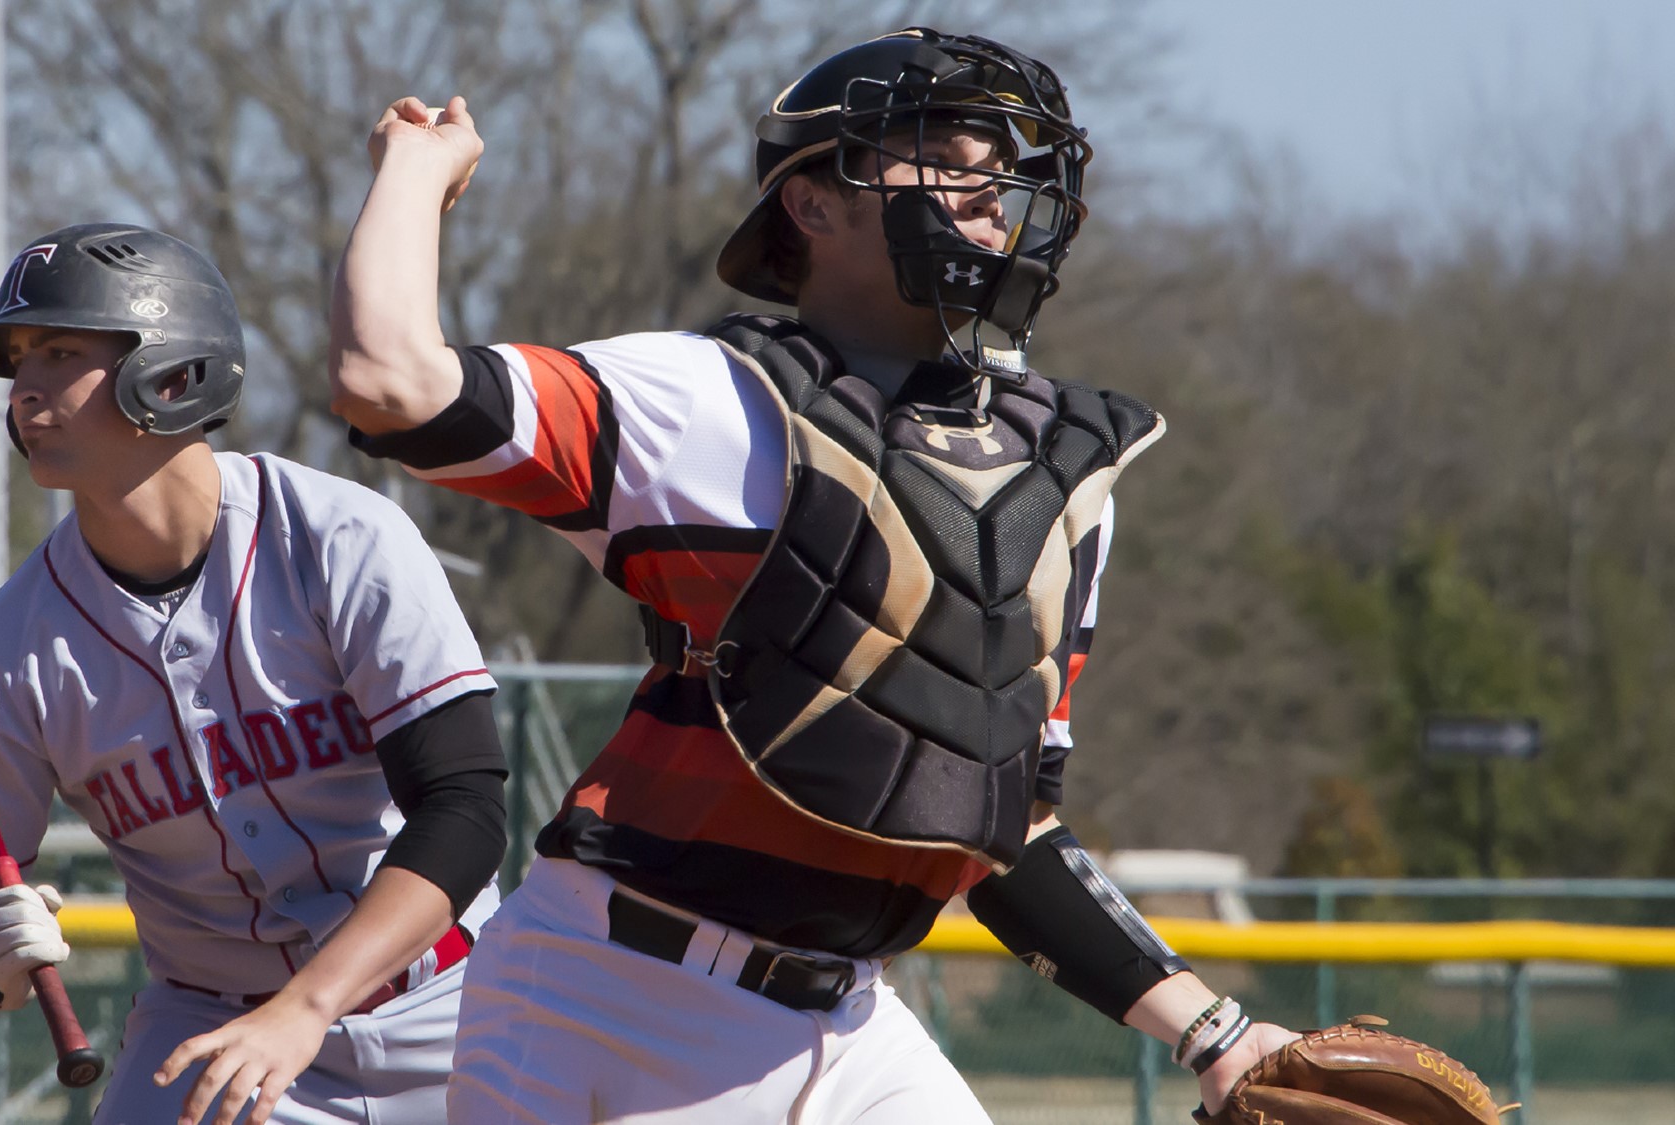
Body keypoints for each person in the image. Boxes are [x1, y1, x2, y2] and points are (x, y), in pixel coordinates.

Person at [330, 27, 1299, 1124]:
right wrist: (414, 175)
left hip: (852, 1024)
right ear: (813, 205)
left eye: (1002, 159)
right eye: (938, 146)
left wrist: (1212, 1035)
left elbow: (998, 821)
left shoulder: (1063, 476)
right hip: (611, 995)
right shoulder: (705, 401)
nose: (987, 184)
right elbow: (391, 381)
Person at [0, 222, 506, 1125]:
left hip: (453, 1003)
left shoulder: (339, 539)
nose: (24, 389)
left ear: (174, 372)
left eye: (60, 352)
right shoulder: (10, 648)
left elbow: (465, 806)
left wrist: (305, 1008)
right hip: (212, 1030)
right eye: (19, 360)